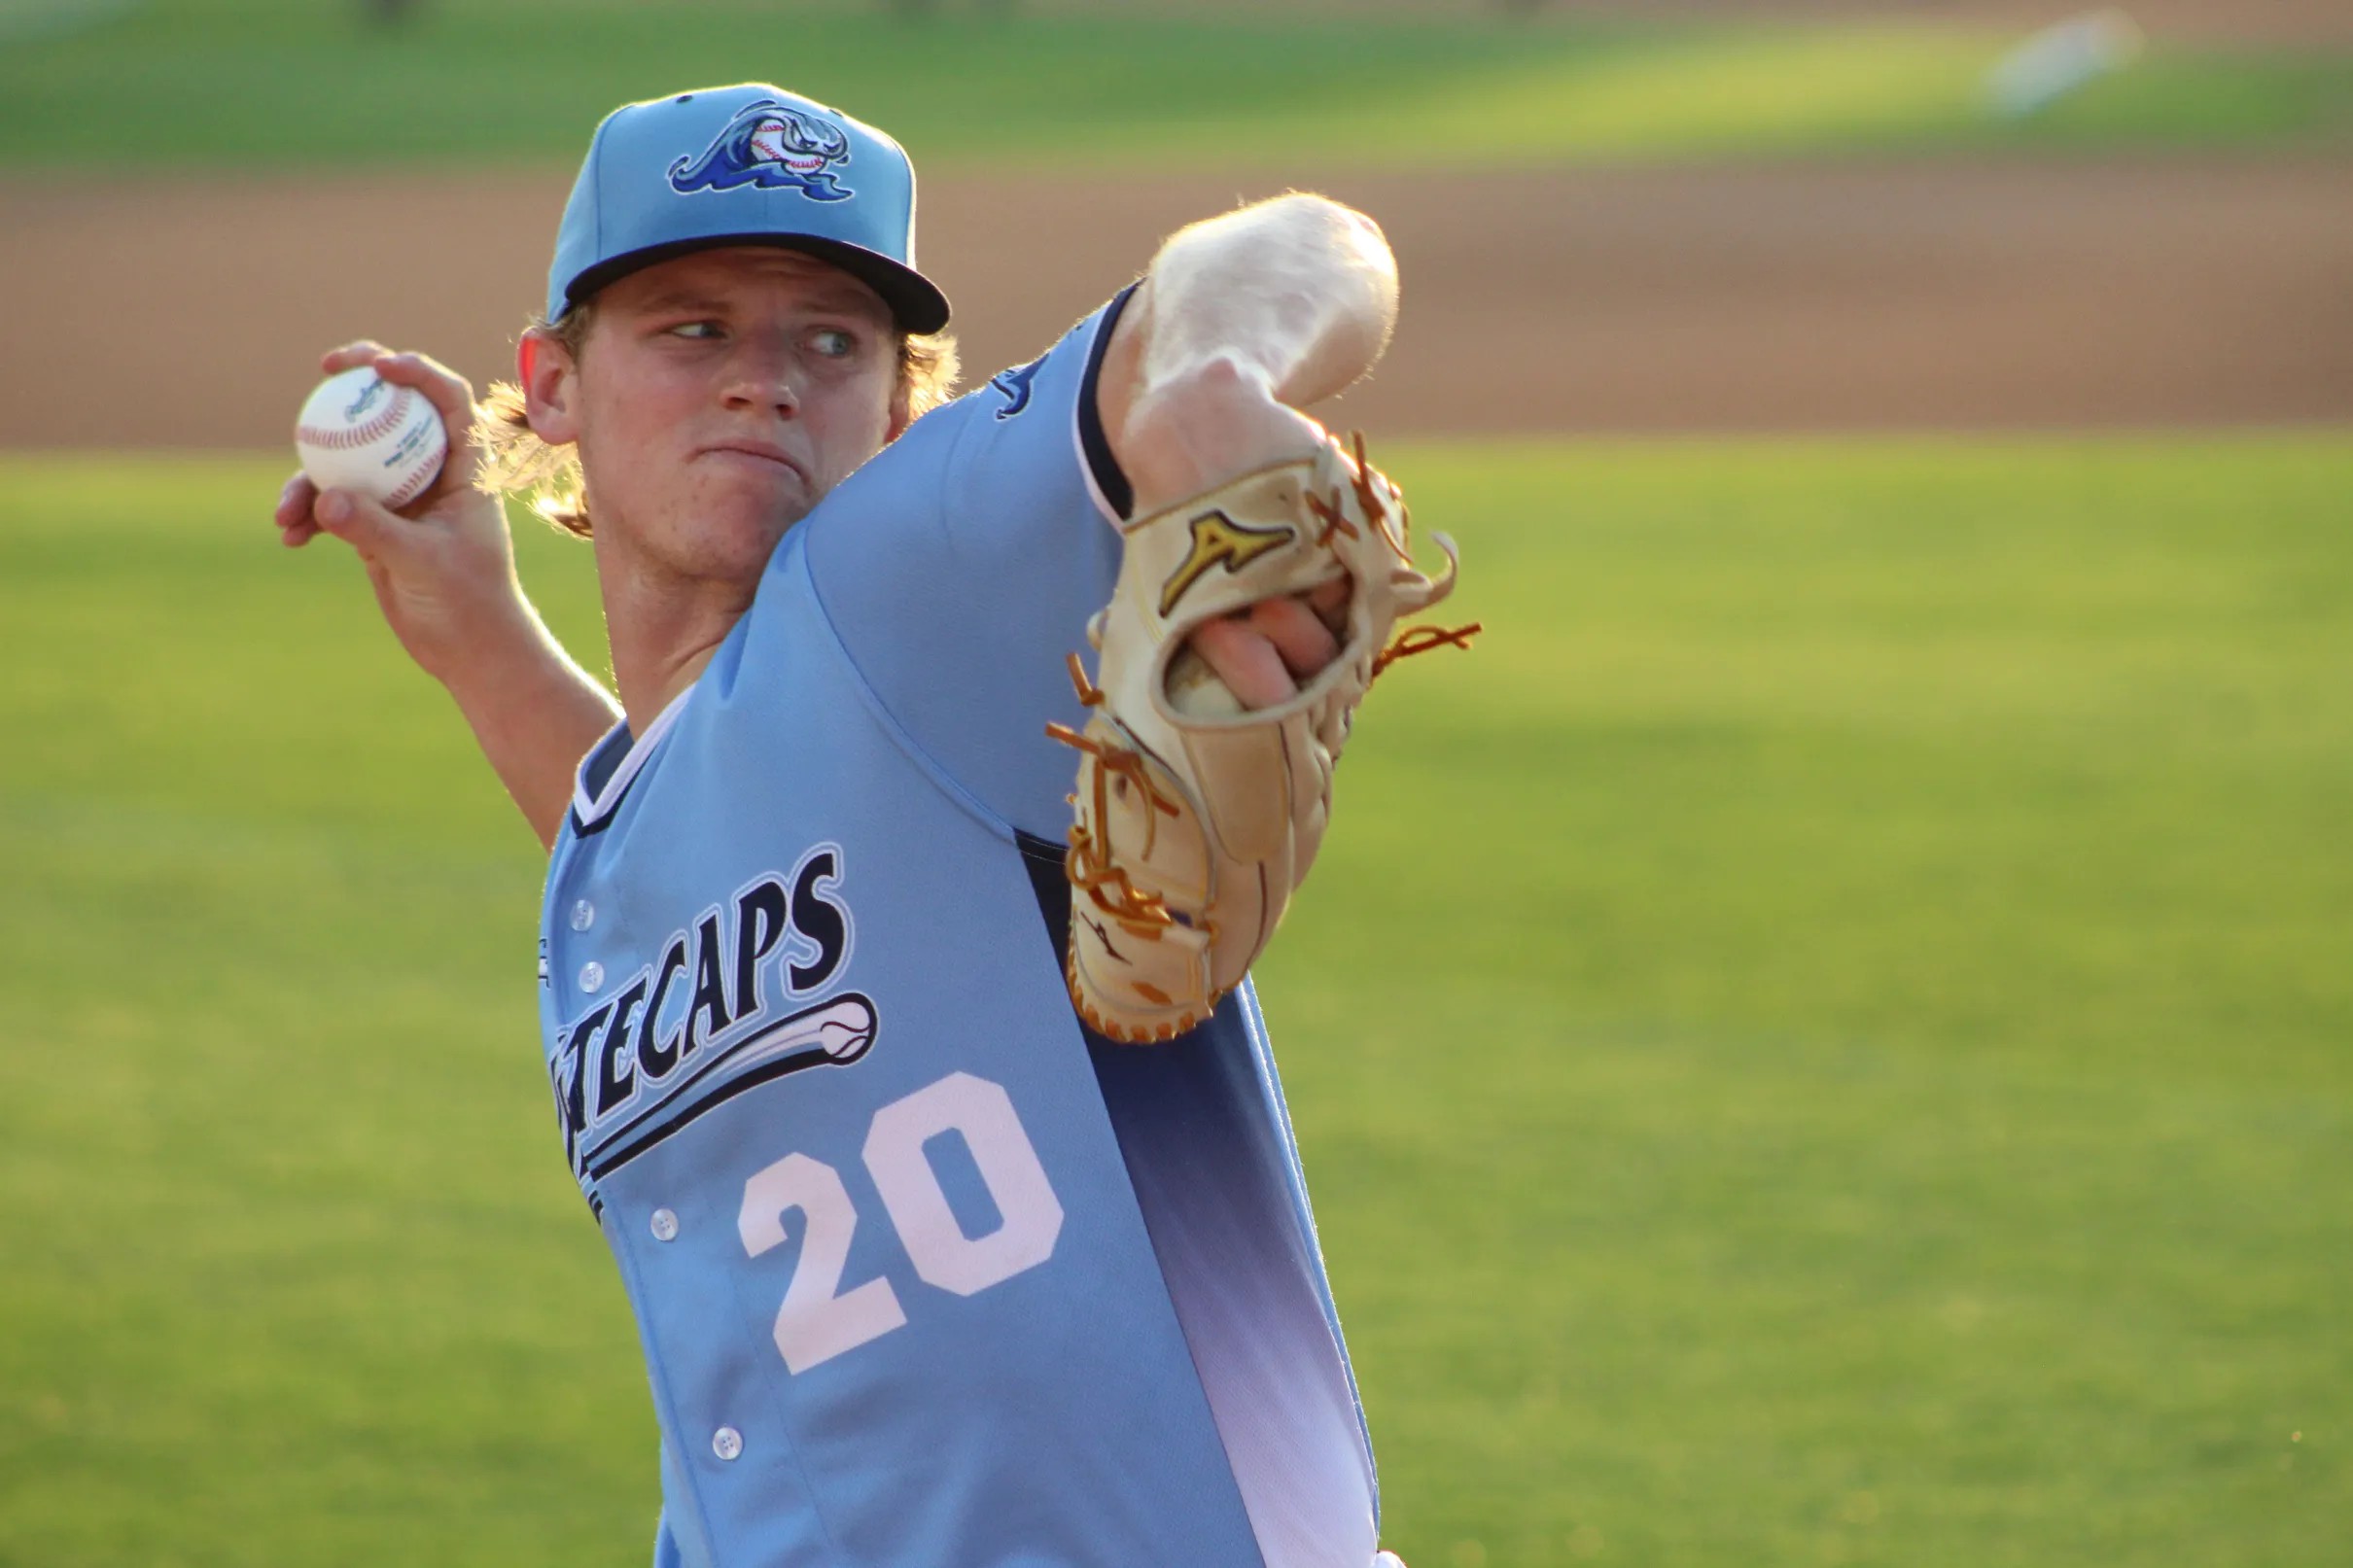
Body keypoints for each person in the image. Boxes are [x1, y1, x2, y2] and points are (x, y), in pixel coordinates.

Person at [274, 82, 1439, 1568]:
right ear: (550, 385)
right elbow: (683, 827)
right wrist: (478, 631)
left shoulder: (900, 582)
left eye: (829, 341)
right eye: (694, 326)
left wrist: (1200, 385)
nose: (762, 380)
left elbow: (1307, 247)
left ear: (898, 414)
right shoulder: (635, 834)